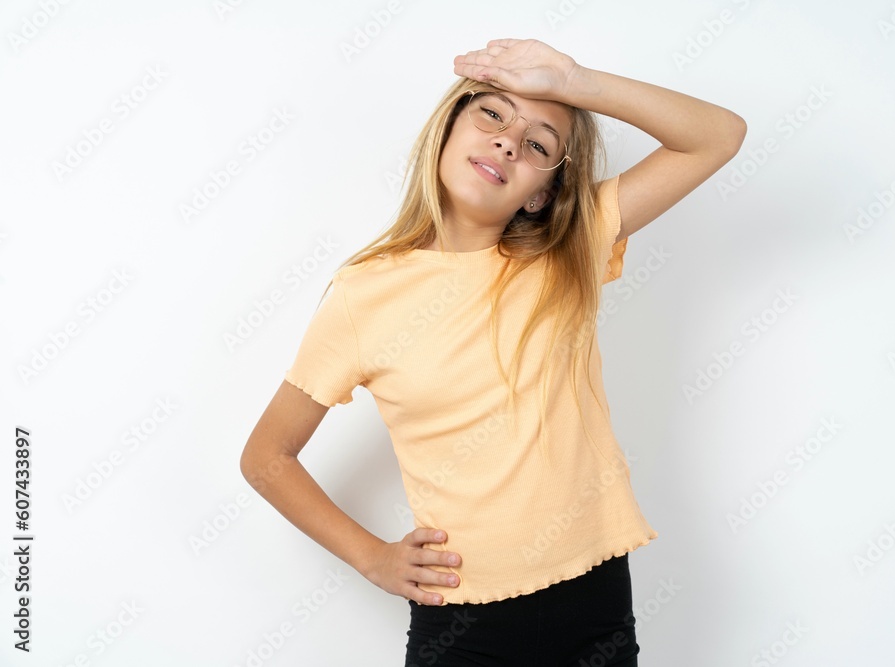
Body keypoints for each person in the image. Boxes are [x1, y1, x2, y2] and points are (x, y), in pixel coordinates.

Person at [241, 37, 745, 666]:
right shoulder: (362, 295)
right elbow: (266, 457)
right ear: (447, 129)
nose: (509, 142)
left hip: (594, 604)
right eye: (492, 115)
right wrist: (373, 559)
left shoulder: (570, 249)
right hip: (463, 625)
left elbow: (717, 136)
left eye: (539, 145)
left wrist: (574, 81)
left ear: (541, 194)